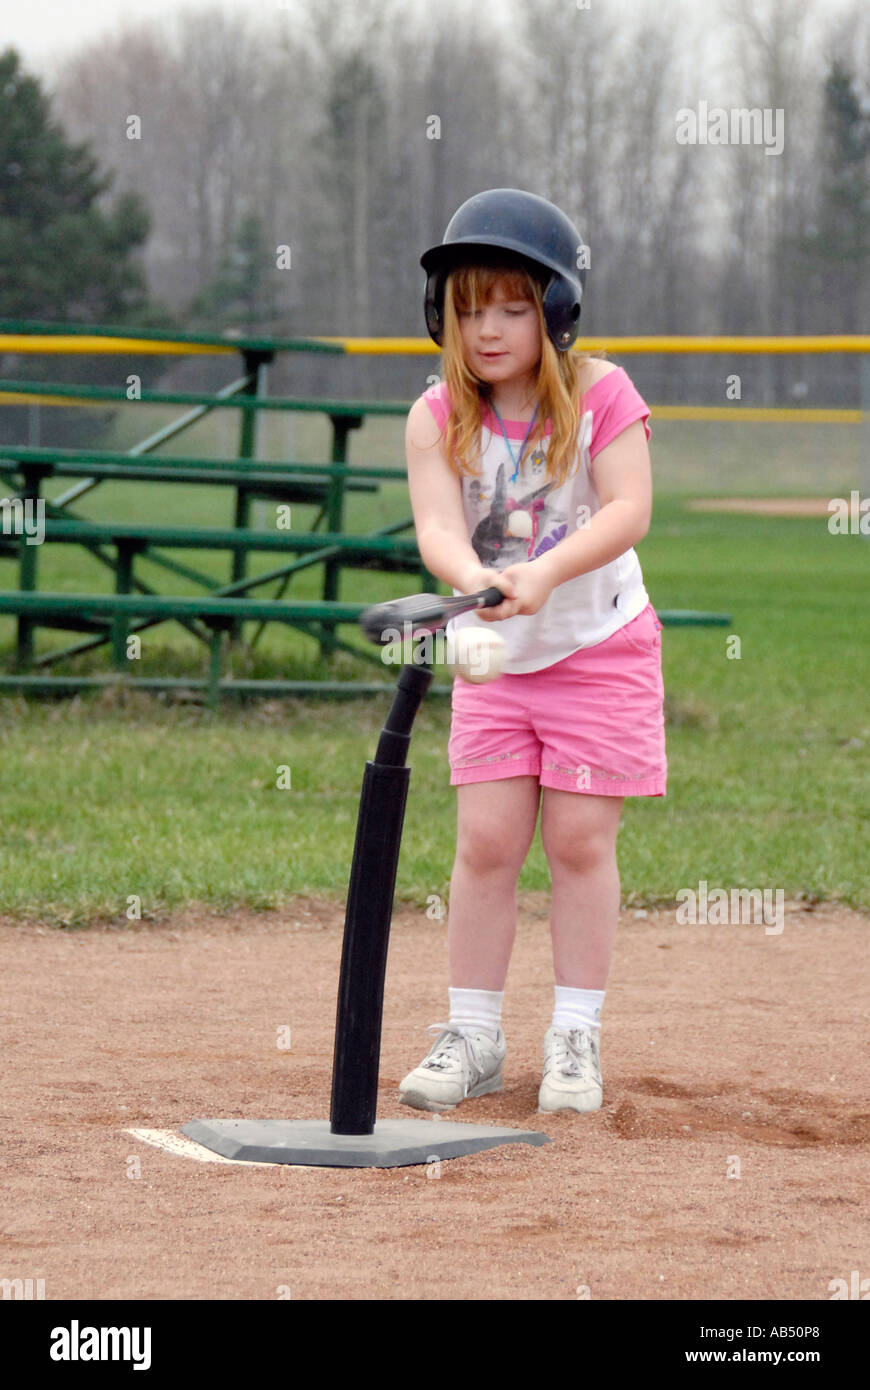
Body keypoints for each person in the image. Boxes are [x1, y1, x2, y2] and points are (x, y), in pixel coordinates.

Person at [399, 189, 666, 1115]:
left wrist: (544, 575)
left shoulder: (601, 392)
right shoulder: (436, 415)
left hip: (598, 645)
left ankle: (575, 1036)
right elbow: (437, 526)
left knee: (580, 842)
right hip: (496, 656)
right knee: (485, 842)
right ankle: (473, 1034)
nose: (488, 329)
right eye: (469, 309)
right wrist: (475, 576)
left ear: (553, 310)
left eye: (513, 306)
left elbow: (630, 507)